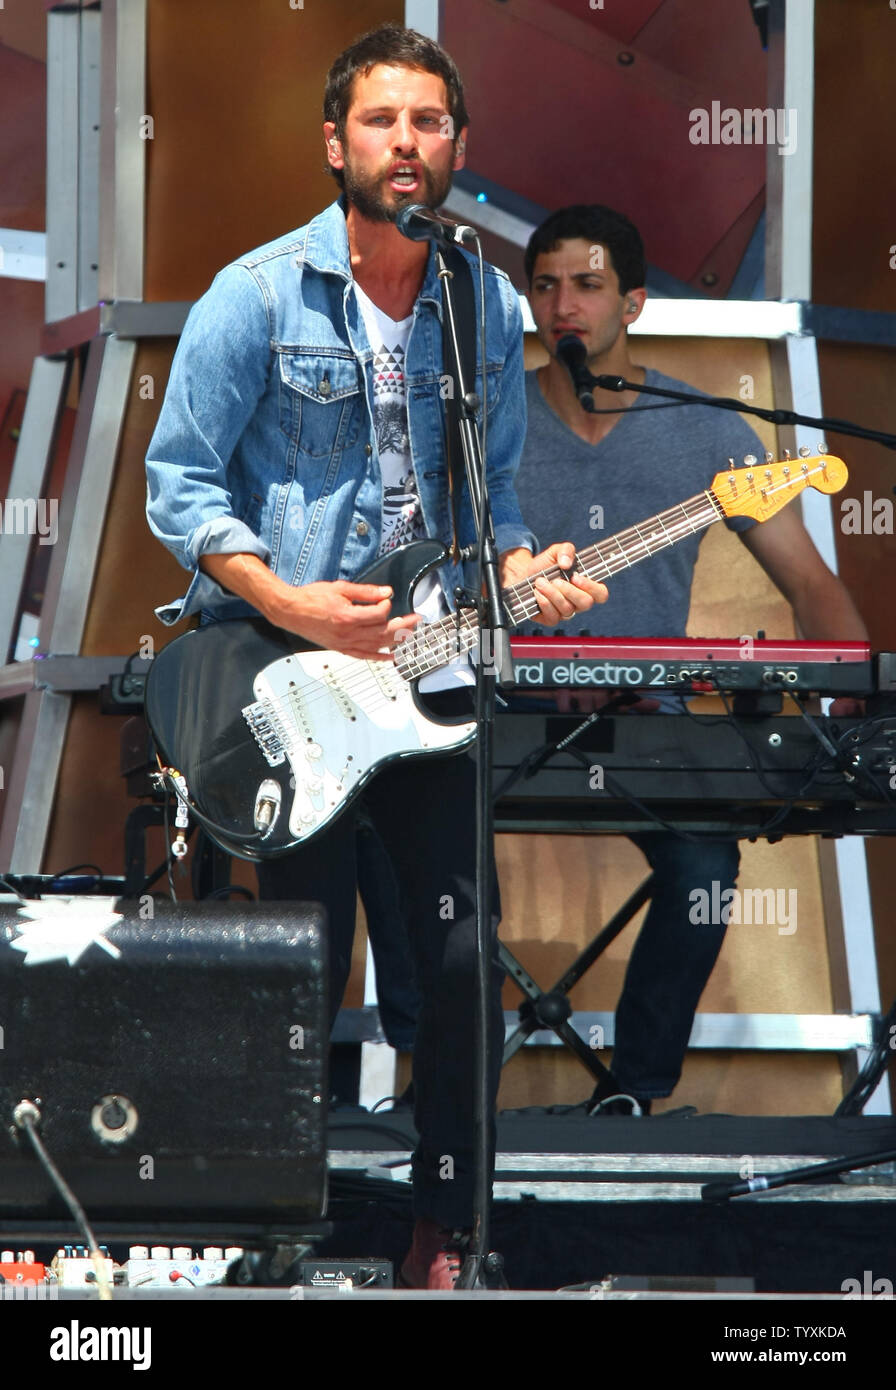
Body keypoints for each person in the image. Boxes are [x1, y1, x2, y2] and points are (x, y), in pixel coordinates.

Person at [144, 26, 604, 1289]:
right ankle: (259, 1225)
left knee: (457, 964)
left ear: (457, 146)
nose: (408, 144)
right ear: (335, 143)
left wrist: (526, 579)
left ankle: (443, 1227)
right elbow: (175, 486)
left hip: (429, 678)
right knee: (299, 953)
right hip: (285, 673)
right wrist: (291, 602)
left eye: (431, 124)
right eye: (383, 122)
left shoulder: (481, 301)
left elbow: (495, 505)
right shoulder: (256, 293)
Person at [514, 203, 868, 1116]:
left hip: (646, 718)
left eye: (587, 286)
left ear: (633, 303)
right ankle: (446, 1087)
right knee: (413, 853)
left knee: (706, 869)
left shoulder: (707, 431)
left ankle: (634, 1092)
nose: (565, 306)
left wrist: (847, 688)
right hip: (501, 710)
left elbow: (809, 583)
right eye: (546, 286)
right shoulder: (489, 428)